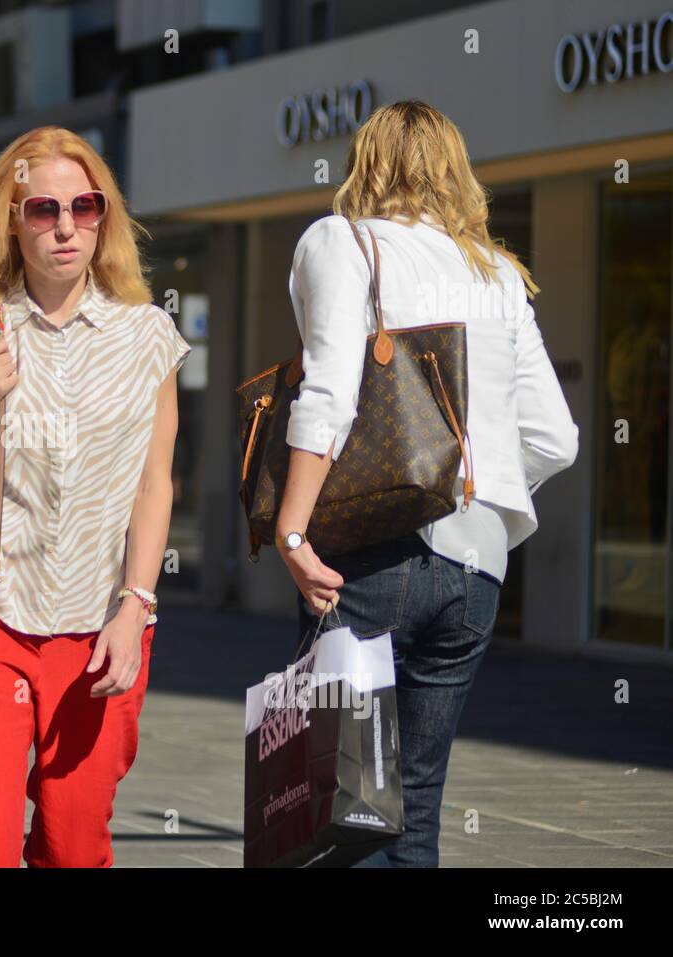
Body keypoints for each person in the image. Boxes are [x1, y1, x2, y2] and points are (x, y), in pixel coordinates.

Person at [276, 101, 579, 867]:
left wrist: (292, 533)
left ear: (365, 160)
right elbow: (558, 439)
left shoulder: (339, 241)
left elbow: (330, 395)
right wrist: (479, 492)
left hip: (369, 557)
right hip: (476, 573)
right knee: (414, 810)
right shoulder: (499, 272)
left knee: (332, 811)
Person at [0, 126, 190, 867]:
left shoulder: (147, 335)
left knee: (75, 844)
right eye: (43, 208)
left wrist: (137, 602)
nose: (66, 225)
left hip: (102, 623)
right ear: (10, 218)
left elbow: (153, 479)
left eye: (85, 204)